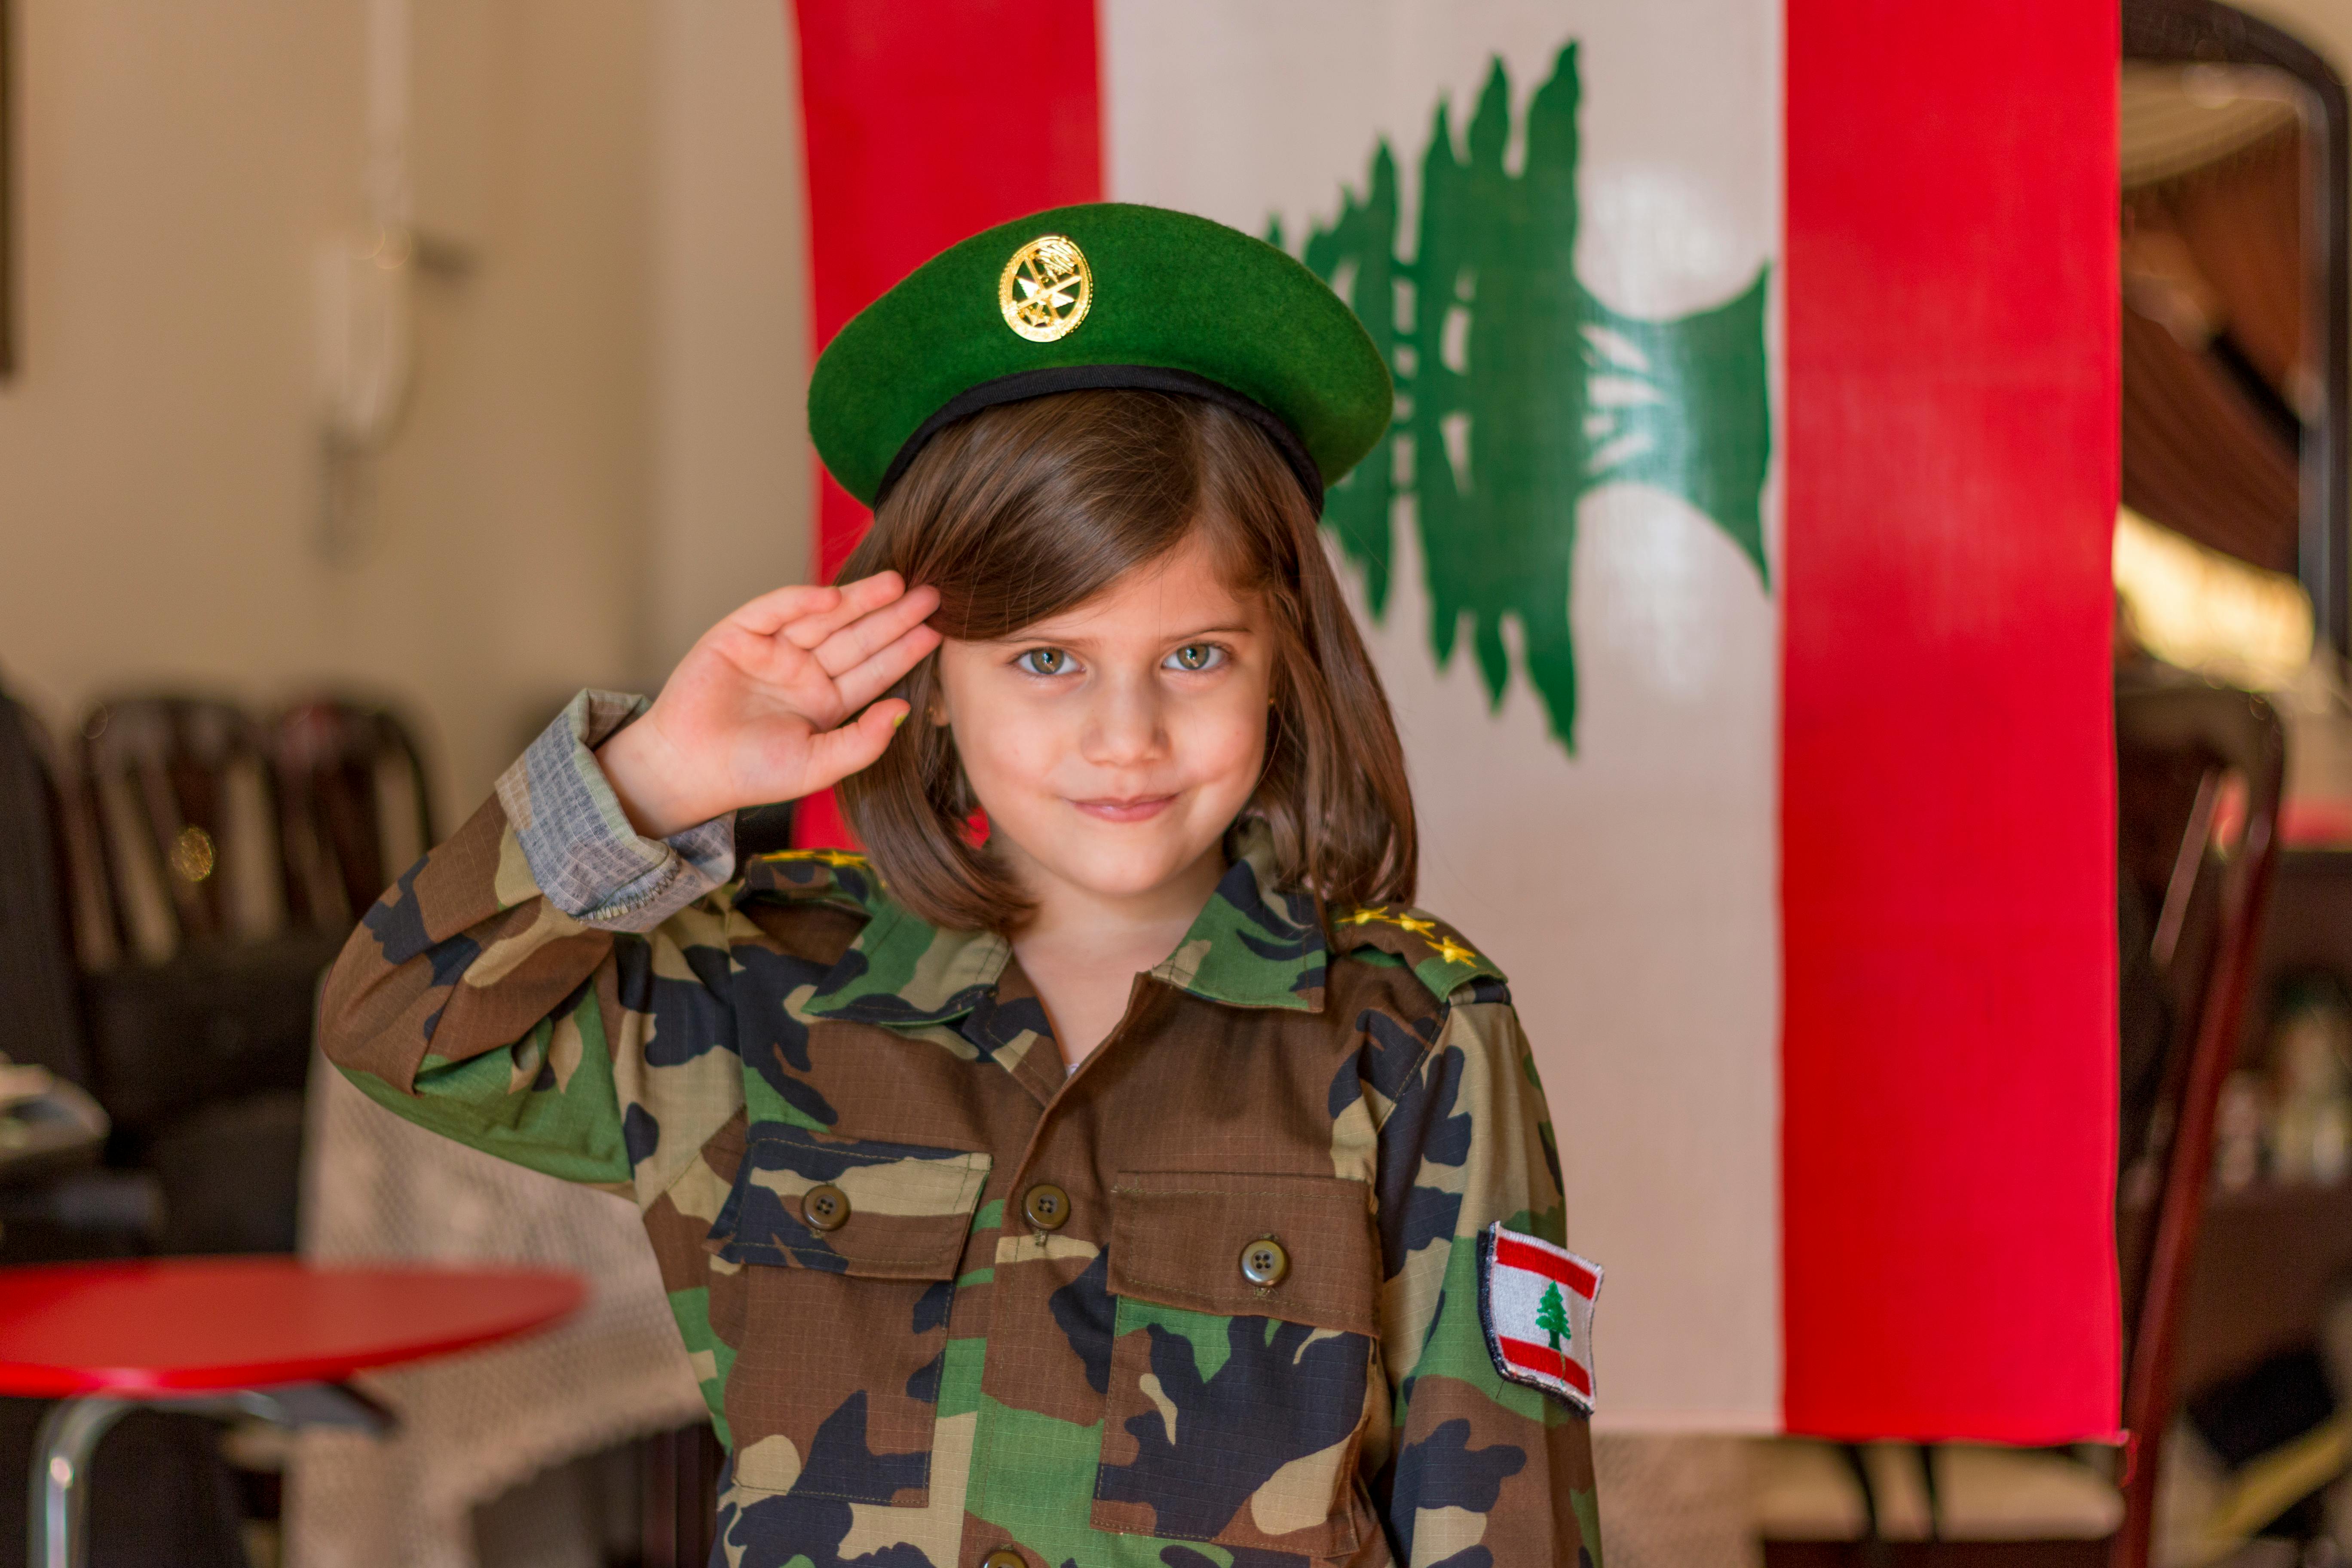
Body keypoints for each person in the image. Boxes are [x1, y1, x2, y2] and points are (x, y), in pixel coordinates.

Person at [321, 202, 1601, 1567]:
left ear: (1283, 665)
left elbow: (1504, 1525)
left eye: (1195, 657)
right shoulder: (757, 988)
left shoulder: (1413, 1035)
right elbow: (400, 1022)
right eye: (1047, 660)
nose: (1126, 736)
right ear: (927, 677)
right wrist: (648, 779)